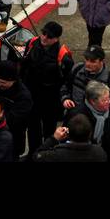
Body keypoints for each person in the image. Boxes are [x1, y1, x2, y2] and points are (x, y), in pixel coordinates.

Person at [21, 21, 76, 154]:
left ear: (56, 38)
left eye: (49, 36)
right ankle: (33, 153)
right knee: (33, 128)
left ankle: (48, 154)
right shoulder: (32, 43)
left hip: (50, 101)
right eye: (43, 33)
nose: (44, 37)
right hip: (32, 96)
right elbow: (24, 68)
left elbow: (67, 82)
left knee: (49, 130)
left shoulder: (64, 56)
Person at [35, 113, 108, 162]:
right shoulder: (99, 153)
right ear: (90, 133)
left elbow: (36, 156)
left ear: (68, 134)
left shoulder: (56, 154)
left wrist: (54, 139)